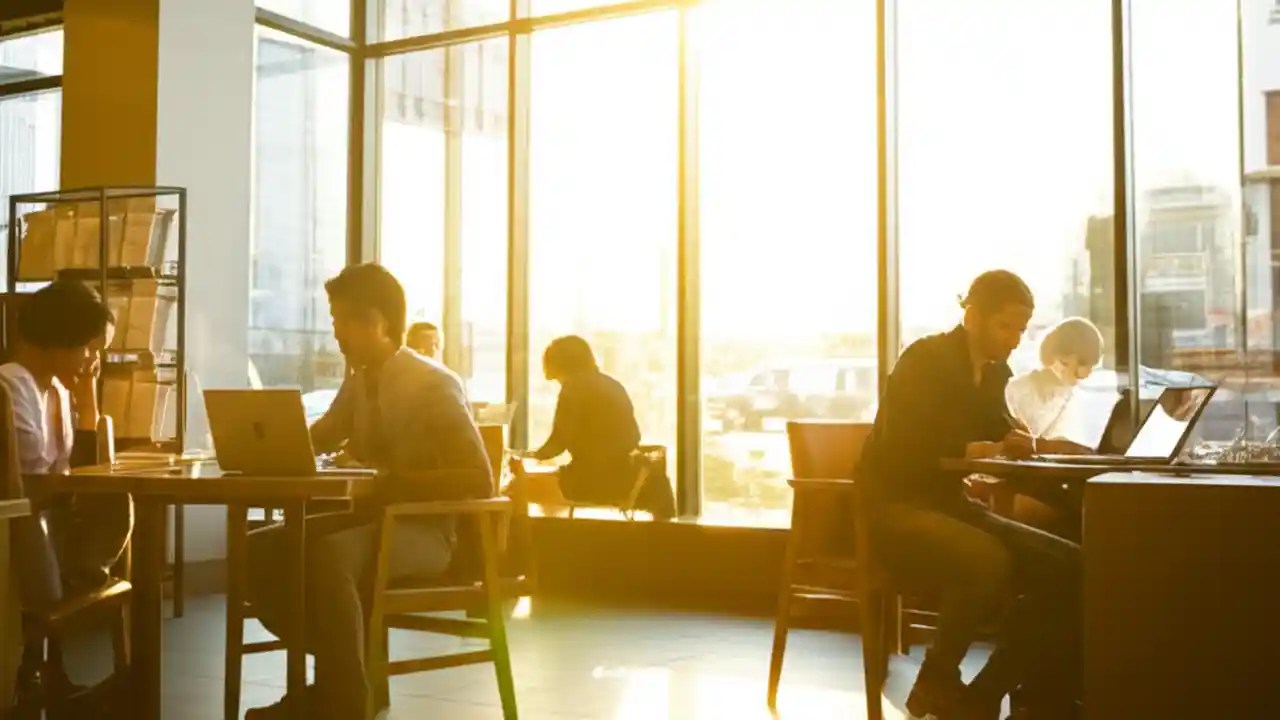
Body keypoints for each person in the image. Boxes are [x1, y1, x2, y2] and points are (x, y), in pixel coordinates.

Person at [244, 264, 493, 720]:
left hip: (425, 531)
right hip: (372, 519)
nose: (335, 333)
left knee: (327, 555)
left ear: (376, 322)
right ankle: (346, 680)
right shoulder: (359, 379)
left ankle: (341, 697)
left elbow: (479, 477)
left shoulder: (433, 384)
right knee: (259, 550)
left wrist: (390, 483)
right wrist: (261, 441)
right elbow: (323, 435)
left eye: (342, 321)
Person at [859, 270, 1081, 720]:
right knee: (987, 558)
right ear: (973, 316)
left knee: (1073, 567)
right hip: (896, 507)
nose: (1015, 340)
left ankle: (987, 693)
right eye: (1006, 326)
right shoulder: (924, 359)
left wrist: (1016, 439)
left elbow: (997, 426)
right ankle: (937, 680)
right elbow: (902, 445)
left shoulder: (996, 372)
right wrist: (977, 448)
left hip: (950, 506)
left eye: (1021, 330)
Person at [0, 280, 131, 701]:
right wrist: (73, 487)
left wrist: (87, 397)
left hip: (51, 518)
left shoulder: (54, 389)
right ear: (61, 338)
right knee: (103, 503)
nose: (91, 359)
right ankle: (70, 585)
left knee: (115, 500)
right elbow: (27, 482)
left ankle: (75, 582)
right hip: (17, 525)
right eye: (88, 347)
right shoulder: (10, 388)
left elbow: (82, 468)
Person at [506, 336, 642, 507]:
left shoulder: (573, 390)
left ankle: (530, 533)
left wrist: (522, 455)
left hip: (590, 482)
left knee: (515, 488)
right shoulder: (612, 385)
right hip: (625, 479)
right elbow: (634, 436)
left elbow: (557, 444)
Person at [1005, 317, 1104, 450]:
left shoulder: (1071, 397)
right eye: (1068, 365)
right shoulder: (1015, 390)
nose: (1079, 379)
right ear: (1059, 357)